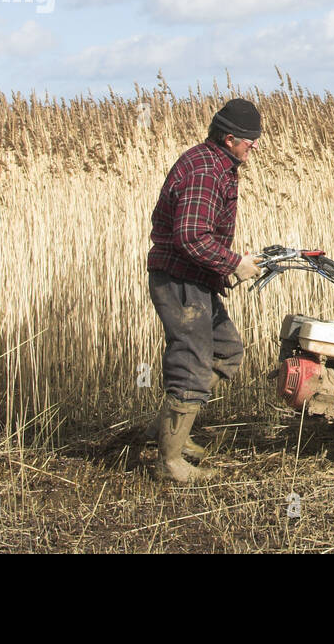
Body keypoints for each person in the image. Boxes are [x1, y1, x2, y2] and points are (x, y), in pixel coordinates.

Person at [145, 98, 263, 482]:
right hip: (179, 282)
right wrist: (233, 264)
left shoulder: (216, 163)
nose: (255, 146)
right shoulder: (206, 171)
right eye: (250, 140)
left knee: (227, 352)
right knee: (193, 364)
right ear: (229, 139)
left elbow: (198, 237)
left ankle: (172, 432)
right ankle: (170, 461)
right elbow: (190, 236)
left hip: (195, 278)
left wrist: (227, 264)